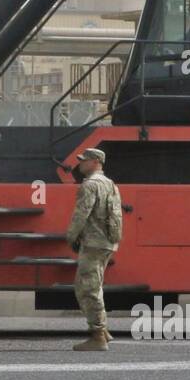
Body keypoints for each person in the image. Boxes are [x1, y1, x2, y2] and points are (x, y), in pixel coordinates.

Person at [65, 147, 124, 351]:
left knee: (86, 288)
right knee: (96, 285)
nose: (80, 163)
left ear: (96, 162)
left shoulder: (90, 185)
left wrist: (71, 236)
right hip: (107, 242)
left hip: (92, 243)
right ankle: (104, 330)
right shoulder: (110, 184)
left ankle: (97, 335)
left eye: (84, 160)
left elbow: (81, 214)